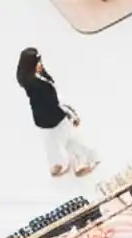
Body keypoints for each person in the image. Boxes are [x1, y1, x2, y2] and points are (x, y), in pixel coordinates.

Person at [15, 47, 99, 177]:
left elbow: (59, 101)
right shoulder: (33, 81)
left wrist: (71, 115)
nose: (40, 65)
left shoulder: (34, 80)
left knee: (70, 139)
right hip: (44, 118)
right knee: (53, 143)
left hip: (56, 116)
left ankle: (87, 159)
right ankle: (63, 162)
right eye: (37, 63)